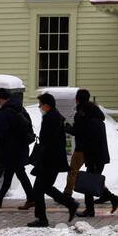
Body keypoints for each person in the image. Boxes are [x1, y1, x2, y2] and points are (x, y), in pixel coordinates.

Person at [65, 88, 118, 216]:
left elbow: (78, 131)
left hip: (91, 153)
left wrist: (66, 128)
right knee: (93, 180)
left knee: (89, 181)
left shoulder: (82, 114)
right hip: (99, 153)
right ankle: (110, 198)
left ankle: (91, 209)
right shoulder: (96, 115)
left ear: (77, 99)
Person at [28, 92, 80, 227]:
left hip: (49, 160)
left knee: (39, 189)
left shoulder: (50, 118)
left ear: (46, 105)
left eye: (40, 104)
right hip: (53, 160)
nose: (39, 107)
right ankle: (70, 204)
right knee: (45, 187)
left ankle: (42, 219)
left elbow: (47, 140)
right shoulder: (56, 116)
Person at [0, 89, 35, 210]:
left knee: (19, 173)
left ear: (2, 99)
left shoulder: (6, 111)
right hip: (21, 147)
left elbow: (3, 133)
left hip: (11, 149)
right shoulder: (20, 108)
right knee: (10, 174)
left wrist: (1, 149)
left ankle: (31, 198)